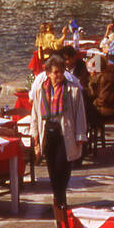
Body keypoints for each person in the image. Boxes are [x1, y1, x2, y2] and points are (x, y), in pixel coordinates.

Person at [28, 56, 89, 208]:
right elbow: (35, 114)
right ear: (48, 73)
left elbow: (80, 114)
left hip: (65, 133)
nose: (59, 75)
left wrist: (80, 135)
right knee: (52, 168)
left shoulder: (72, 89)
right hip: (48, 132)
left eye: (61, 72)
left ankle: (60, 200)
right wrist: (34, 136)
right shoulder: (40, 90)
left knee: (63, 166)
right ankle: (58, 199)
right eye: (56, 72)